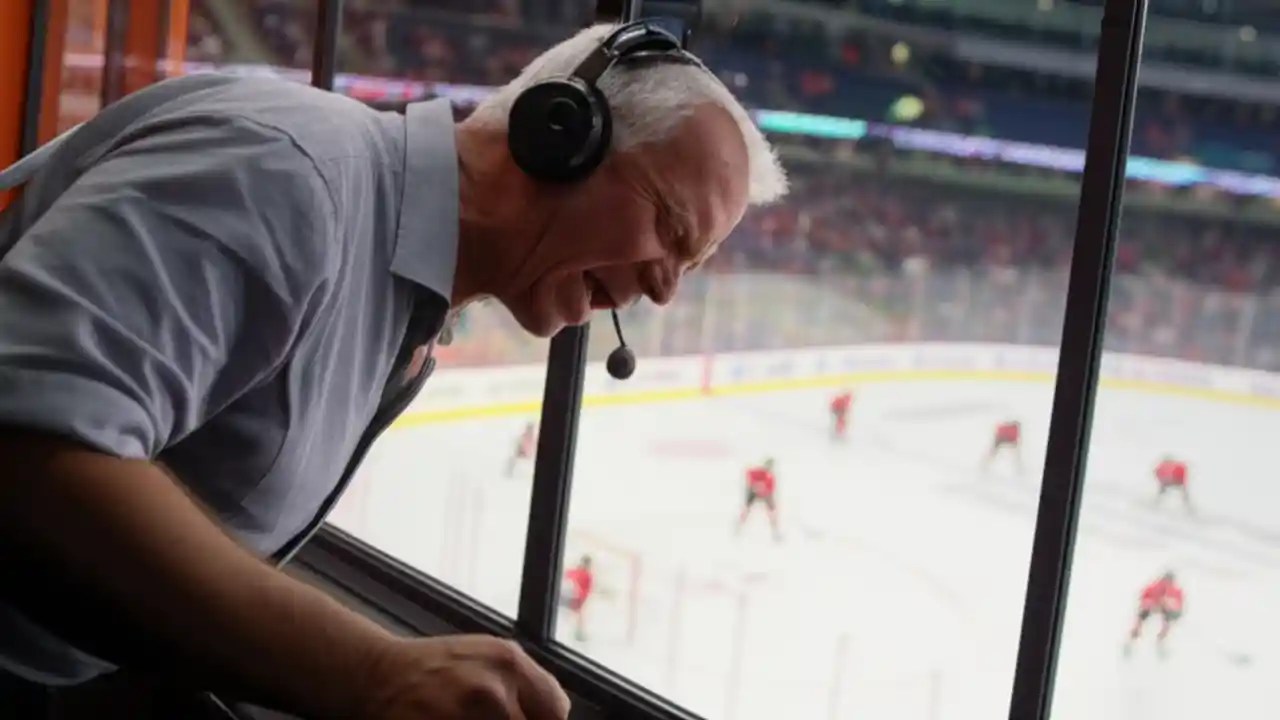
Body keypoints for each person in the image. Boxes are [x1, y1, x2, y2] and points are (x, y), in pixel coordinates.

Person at [0, 20, 786, 719]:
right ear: (558, 132)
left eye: (692, 264)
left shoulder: (408, 308)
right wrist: (369, 672)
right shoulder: (290, 176)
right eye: (673, 230)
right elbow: (23, 438)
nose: (661, 289)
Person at [1125, 571, 1185, 658]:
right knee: (1164, 617)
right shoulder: (1172, 589)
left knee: (1145, 615)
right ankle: (1161, 636)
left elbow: (1145, 594)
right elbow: (1179, 603)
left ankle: (1137, 632)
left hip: (1155, 605)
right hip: (1158, 606)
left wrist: (1147, 603)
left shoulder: (1159, 585)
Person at [736, 458, 782, 542]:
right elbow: (748, 473)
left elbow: (771, 488)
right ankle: (739, 525)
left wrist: (764, 489)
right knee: (747, 508)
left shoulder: (771, 477)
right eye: (767, 467)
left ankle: (775, 528)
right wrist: (754, 484)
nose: (768, 469)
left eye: (770, 468)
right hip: (753, 492)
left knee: (772, 510)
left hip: (765, 494)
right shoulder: (757, 471)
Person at [560, 555, 595, 643]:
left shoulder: (585, 575)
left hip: (574, 600)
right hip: (573, 599)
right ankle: (578, 633)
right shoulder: (580, 573)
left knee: (579, 616)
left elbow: (587, 590)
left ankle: (578, 633)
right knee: (578, 615)